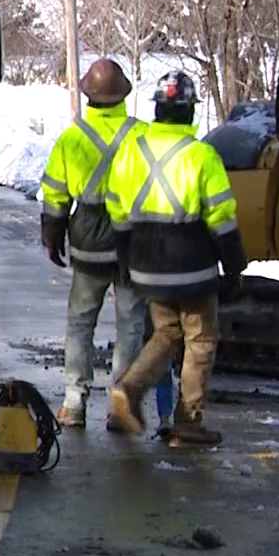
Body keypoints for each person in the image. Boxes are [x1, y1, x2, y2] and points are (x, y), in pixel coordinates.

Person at [103, 69, 246, 447]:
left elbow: (116, 211)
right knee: (201, 338)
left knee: (166, 332)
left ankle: (129, 390)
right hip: (192, 268)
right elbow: (222, 219)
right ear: (189, 112)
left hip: (147, 265)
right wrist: (234, 267)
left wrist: (125, 259)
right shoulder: (202, 156)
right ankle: (188, 423)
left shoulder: (132, 150)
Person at [40, 58, 175, 431]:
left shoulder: (72, 139)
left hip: (88, 241)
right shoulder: (141, 135)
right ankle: (121, 402)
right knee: (131, 323)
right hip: (131, 241)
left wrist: (52, 238)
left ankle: (73, 402)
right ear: (122, 95)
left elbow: (55, 195)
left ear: (88, 96)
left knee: (81, 322)